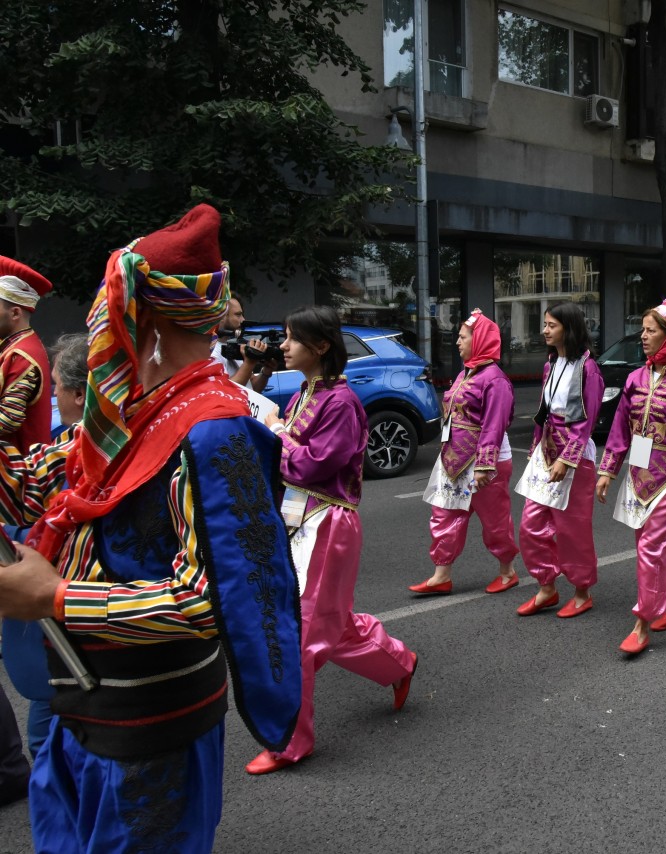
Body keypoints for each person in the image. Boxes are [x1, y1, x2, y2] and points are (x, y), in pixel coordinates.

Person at [0, 205, 302, 851]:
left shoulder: (215, 432)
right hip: (79, 712)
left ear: (142, 318)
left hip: (148, 731)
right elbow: (30, 487)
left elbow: (208, 602)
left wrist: (52, 597)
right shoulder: (125, 416)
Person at [247, 306, 417, 774]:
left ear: (320, 347)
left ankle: (288, 743)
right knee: (331, 626)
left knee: (299, 634)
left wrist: (276, 435)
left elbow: (311, 465)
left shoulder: (341, 403)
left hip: (327, 522)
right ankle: (399, 662)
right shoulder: (307, 392)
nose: (283, 346)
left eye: (291, 338)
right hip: (302, 519)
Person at [596, 300, 666, 656]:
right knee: (657, 546)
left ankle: (642, 623)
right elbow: (619, 429)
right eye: (642, 329)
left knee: (651, 548)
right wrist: (608, 470)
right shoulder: (634, 378)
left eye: (651, 330)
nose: (643, 336)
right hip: (638, 475)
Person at [0, 334, 89, 762]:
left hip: (73, 602)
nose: (51, 394)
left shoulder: (76, 446)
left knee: (53, 734)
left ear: (78, 393)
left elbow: (18, 487)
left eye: (55, 385)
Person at [410, 309, 520, 595]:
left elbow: (494, 425)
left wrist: (485, 465)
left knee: (494, 521)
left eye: (463, 337)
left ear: (480, 339)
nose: (457, 342)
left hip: (486, 462)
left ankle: (507, 572)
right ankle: (441, 575)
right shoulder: (465, 373)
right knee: (444, 514)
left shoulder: (495, 380)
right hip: (453, 460)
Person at [514, 302, 604, 618]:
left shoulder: (589, 370)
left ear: (569, 327)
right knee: (530, 524)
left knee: (572, 530)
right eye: (545, 324)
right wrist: (536, 446)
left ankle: (582, 592)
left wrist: (567, 458)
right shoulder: (551, 365)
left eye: (551, 325)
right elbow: (545, 411)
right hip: (546, 451)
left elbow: (586, 422)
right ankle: (546, 587)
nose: (545, 330)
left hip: (575, 457)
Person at [0, 257, 52, 454]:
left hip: (18, 474)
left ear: (14, 313)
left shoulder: (22, 354)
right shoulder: (16, 345)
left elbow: (8, 418)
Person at [213, 295, 275, 391]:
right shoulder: (212, 352)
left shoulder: (235, 344)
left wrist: (266, 372)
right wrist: (249, 363)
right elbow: (225, 392)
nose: (243, 320)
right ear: (222, 317)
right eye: (238, 315)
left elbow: (252, 387)